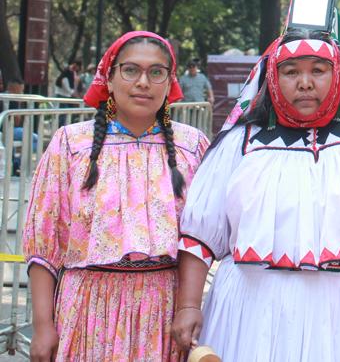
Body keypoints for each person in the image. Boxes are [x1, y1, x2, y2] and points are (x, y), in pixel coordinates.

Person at [171, 26, 340, 362]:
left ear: (338, 76)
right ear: (273, 79)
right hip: (249, 309)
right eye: (291, 72)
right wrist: (188, 305)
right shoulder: (240, 142)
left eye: (317, 71)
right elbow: (199, 233)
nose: (305, 83)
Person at [23, 31, 208, 361]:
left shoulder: (191, 147)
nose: (143, 82)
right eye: (131, 70)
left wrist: (189, 306)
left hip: (164, 311)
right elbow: (43, 244)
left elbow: (202, 236)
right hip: (86, 309)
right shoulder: (70, 145)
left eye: (156, 72)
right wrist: (42, 325)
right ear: (108, 78)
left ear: (169, 82)